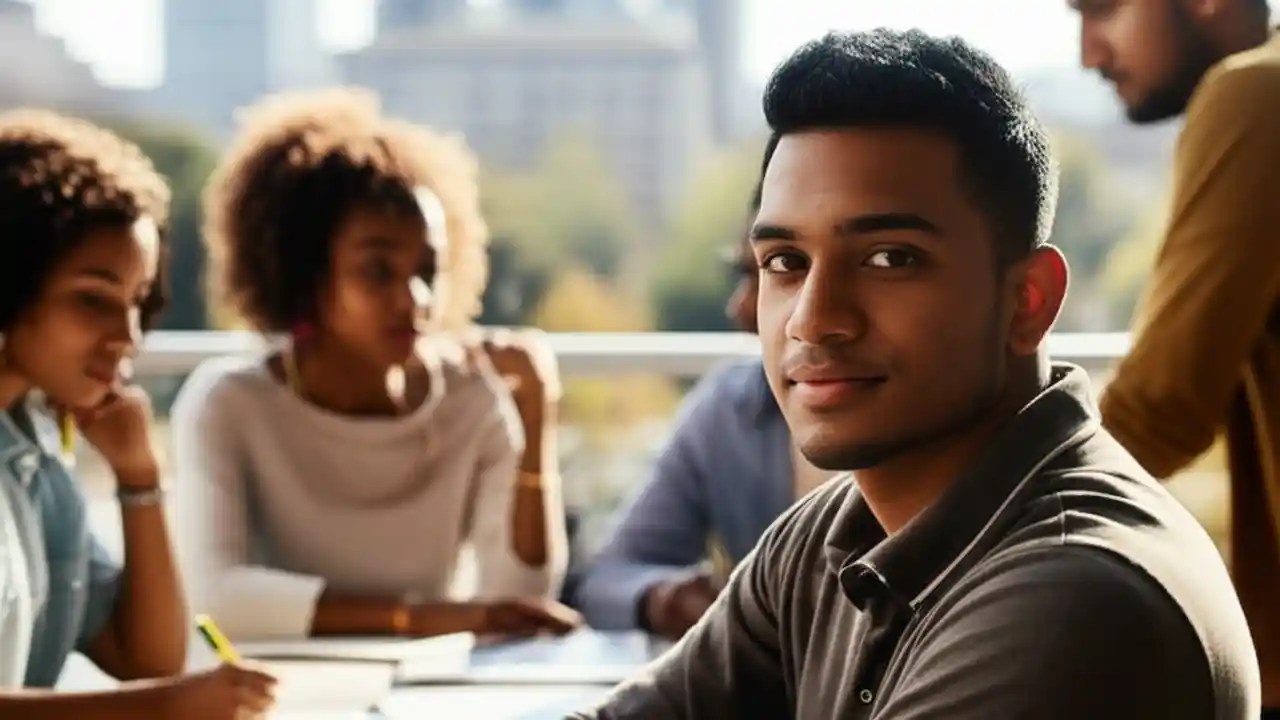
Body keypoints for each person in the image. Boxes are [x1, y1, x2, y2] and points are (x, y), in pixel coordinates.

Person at [573, 29, 1259, 719]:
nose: (814, 320)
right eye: (784, 261)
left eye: (889, 259)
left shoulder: (1071, 595)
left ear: (1029, 302)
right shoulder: (825, 538)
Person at [171, 88, 580, 641]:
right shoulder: (228, 402)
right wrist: (425, 618)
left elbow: (518, 605)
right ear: (308, 274)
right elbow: (218, 599)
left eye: (428, 270)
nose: (414, 299)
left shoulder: (472, 399)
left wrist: (535, 421)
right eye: (377, 271)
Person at [0, 110, 276, 718]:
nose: (127, 336)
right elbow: (158, 689)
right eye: (94, 299)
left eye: (135, 302)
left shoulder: (36, 459)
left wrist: (139, 478)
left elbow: (147, 659)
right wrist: (160, 708)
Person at [1070, 0, 1280, 711]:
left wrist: (954, 527)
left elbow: (1160, 406)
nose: (1088, 53)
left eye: (1101, 11)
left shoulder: (1258, 93)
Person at [574, 208, 832, 640]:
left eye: (786, 267)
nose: (742, 307)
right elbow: (605, 580)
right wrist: (669, 600)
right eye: (771, 268)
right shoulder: (730, 409)